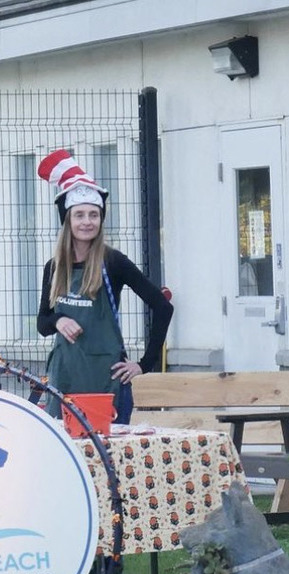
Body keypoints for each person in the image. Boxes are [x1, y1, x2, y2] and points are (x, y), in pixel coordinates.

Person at [35, 149, 173, 423]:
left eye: (94, 215)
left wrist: (144, 364)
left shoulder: (113, 262)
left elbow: (162, 306)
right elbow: (42, 323)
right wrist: (58, 320)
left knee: (110, 459)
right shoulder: (54, 267)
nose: (87, 222)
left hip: (107, 381)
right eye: (80, 215)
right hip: (65, 379)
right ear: (67, 220)